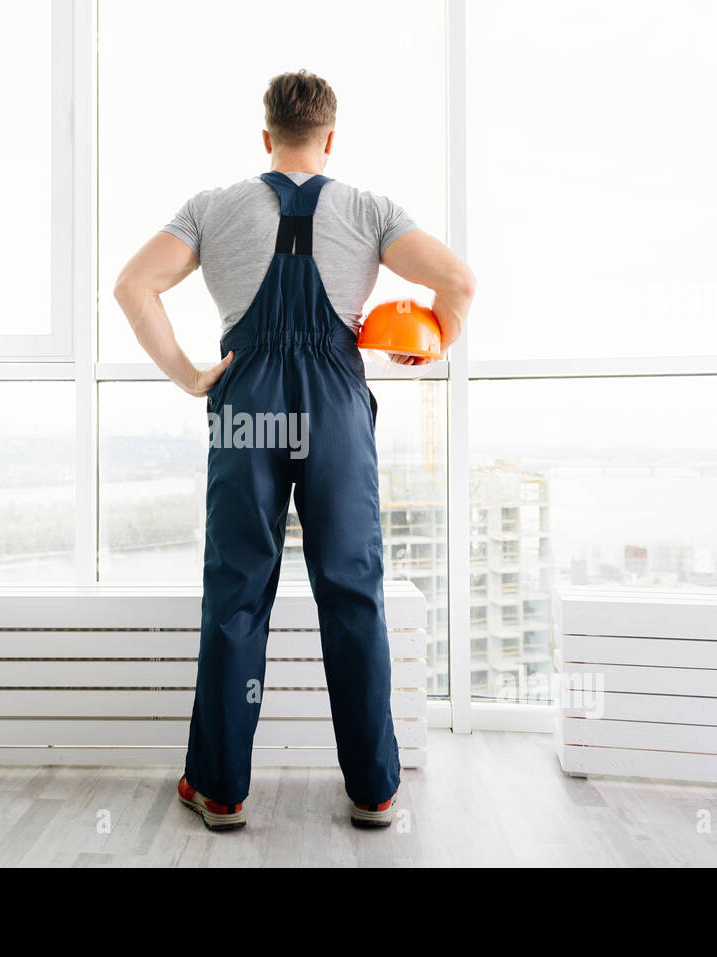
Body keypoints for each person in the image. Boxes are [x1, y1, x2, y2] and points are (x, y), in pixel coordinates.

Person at [113, 69, 475, 831]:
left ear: (267, 136)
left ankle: (220, 788)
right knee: (351, 588)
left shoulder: (212, 207)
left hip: (248, 404)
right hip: (336, 410)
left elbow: (133, 287)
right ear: (330, 138)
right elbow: (457, 279)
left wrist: (189, 377)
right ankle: (374, 788)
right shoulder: (370, 209)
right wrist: (432, 341)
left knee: (239, 588)